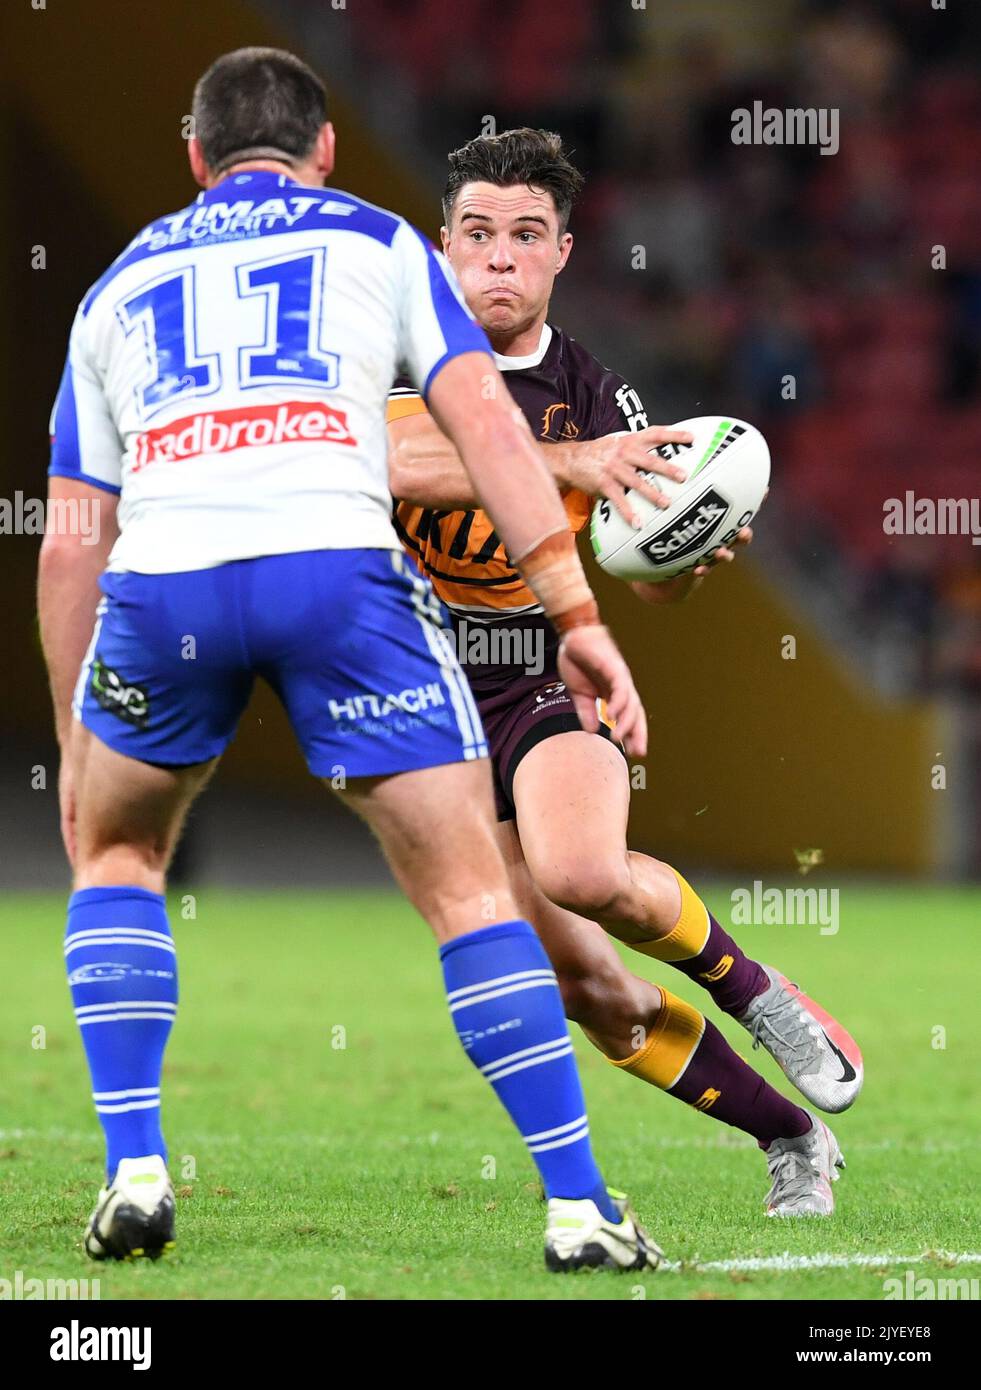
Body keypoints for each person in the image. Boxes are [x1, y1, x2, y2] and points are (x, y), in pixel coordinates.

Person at [39, 49, 660, 1272]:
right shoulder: (381, 242)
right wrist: (576, 613)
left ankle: (136, 1172)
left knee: (112, 851)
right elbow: (485, 424)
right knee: (473, 892)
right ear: (324, 150)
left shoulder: (110, 287)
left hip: (164, 588)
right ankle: (580, 1208)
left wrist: (75, 727)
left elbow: (73, 534)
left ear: (194, 157)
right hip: (338, 573)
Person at [388, 128, 863, 1217]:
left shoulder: (598, 395)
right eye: (475, 234)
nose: (497, 258)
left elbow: (648, 582)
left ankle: (761, 992)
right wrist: (559, 467)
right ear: (441, 245)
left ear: (562, 251)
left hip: (539, 680)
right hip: (420, 702)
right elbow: (382, 459)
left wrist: (692, 555)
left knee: (584, 871)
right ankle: (791, 1135)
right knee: (588, 987)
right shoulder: (389, 362)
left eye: (524, 236)